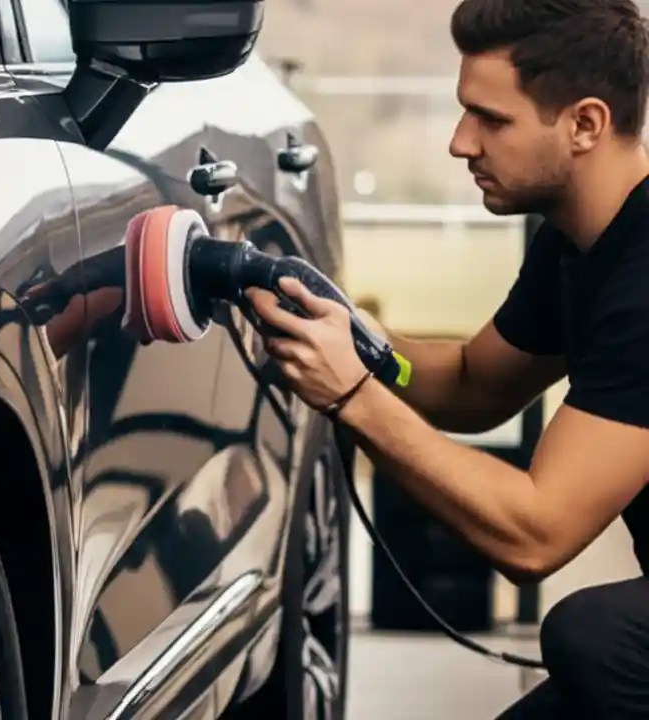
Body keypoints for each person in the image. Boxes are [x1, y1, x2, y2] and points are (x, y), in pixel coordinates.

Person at [246, 0, 649, 717]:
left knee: (596, 637)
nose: (462, 143)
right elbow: (472, 384)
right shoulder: (581, 242)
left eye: (491, 119)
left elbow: (536, 533)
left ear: (585, 124)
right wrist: (355, 338)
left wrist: (350, 396)